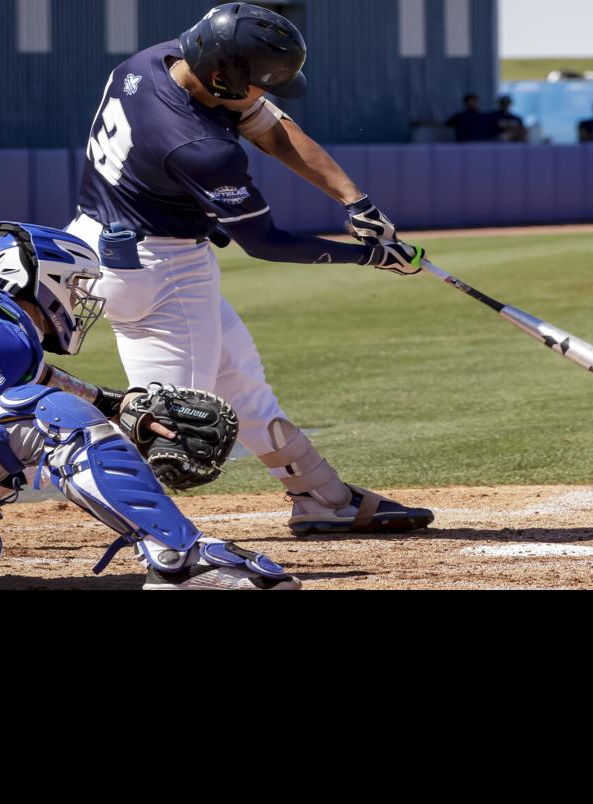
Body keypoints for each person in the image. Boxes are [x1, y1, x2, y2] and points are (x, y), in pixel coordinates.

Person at [68, 3, 435, 537]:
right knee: (176, 430)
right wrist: (370, 256)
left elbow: (271, 129)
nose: (264, 96)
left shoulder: (152, 61)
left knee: (240, 381)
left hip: (111, 246)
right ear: (222, 76)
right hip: (160, 269)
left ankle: (322, 497)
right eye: (257, 84)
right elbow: (264, 243)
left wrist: (354, 200)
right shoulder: (202, 149)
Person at [0, 222, 300, 590]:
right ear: (32, 277)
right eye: (76, 283)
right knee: (47, 415)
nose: (81, 298)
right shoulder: (3, 327)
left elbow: (30, 377)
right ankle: (184, 560)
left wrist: (110, 403)